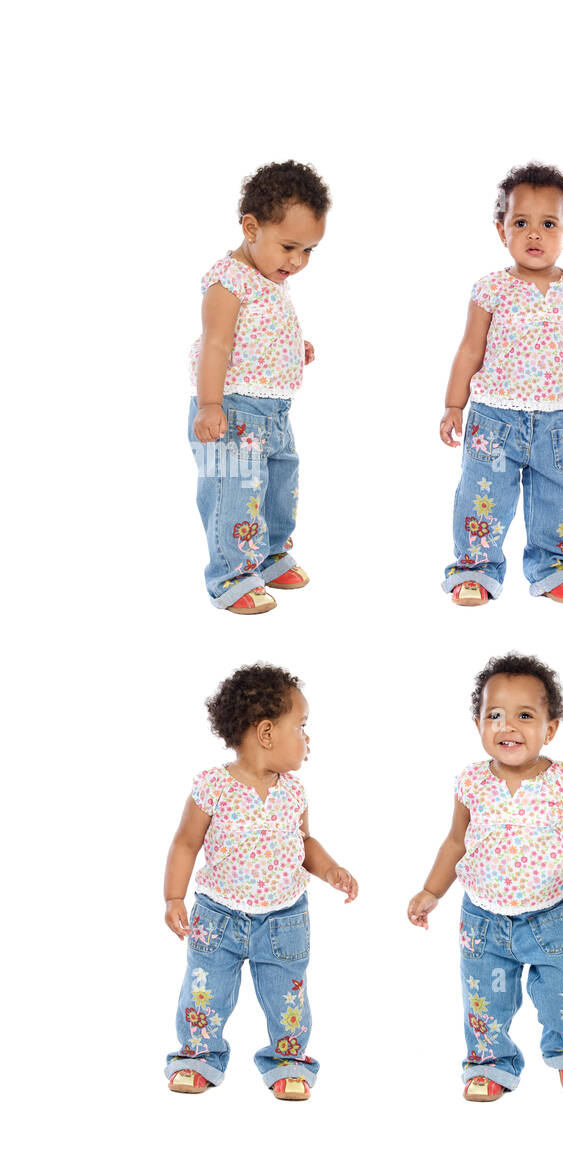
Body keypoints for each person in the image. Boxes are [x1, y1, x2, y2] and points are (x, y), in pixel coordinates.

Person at [408, 654, 563, 1099]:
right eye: (493, 715)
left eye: (524, 716)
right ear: (477, 723)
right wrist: (430, 891)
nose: (506, 726)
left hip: (554, 916)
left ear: (549, 729)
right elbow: (455, 843)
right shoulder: (471, 783)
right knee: (484, 1002)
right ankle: (488, 1062)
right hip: (483, 919)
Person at [163, 665, 357, 1099]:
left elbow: (304, 842)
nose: (308, 739)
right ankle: (198, 1055)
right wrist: (174, 896)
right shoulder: (213, 786)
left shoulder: (295, 791)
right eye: (302, 727)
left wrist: (330, 870)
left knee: (288, 1000)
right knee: (204, 994)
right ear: (266, 733)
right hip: (218, 918)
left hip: (284, 920)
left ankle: (289, 1060)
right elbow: (186, 843)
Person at [440, 164, 563, 606]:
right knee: (482, 495)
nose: (534, 234)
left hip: (559, 422)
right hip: (494, 418)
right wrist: (453, 405)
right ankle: (475, 569)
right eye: (521, 223)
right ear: (502, 232)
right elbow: (469, 350)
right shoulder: (491, 290)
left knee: (561, 497)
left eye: (548, 224)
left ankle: (557, 567)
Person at [187, 160, 330, 614]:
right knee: (235, 491)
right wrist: (209, 404)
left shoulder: (267, 277)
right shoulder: (227, 281)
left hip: (274, 414)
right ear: (251, 228)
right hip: (230, 410)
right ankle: (231, 574)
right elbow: (217, 343)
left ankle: (267, 554)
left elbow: (258, 331)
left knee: (277, 486)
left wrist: (293, 345)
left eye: (309, 251)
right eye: (290, 247)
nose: (298, 261)